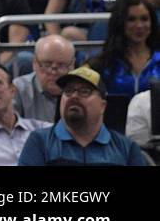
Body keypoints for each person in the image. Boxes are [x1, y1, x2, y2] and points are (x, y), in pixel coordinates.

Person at [18, 65, 149, 166]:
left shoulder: (126, 148)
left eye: (84, 91)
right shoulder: (40, 141)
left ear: (102, 106)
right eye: (68, 91)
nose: (74, 96)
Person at [89, 0, 160, 131]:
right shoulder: (102, 64)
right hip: (113, 136)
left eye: (144, 19)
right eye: (131, 19)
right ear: (120, 23)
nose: (139, 25)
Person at [12, 34, 76, 125]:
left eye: (61, 65)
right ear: (34, 63)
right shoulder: (18, 89)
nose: (53, 72)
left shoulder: (82, 92)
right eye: (47, 64)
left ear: (72, 65)